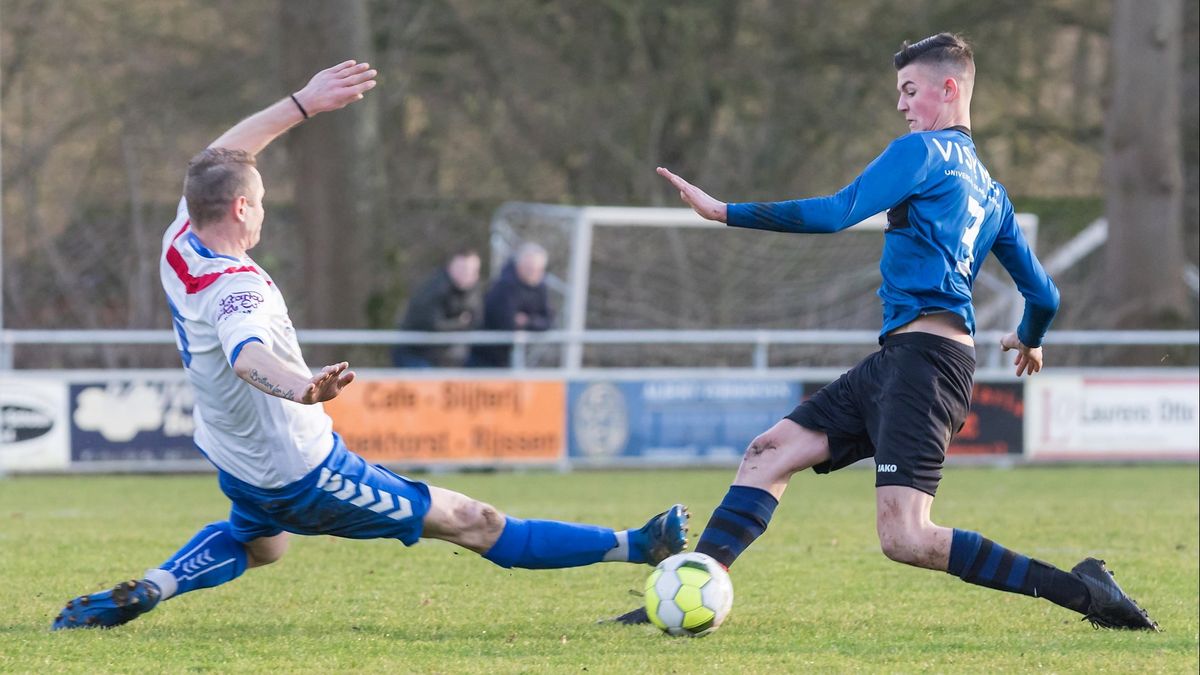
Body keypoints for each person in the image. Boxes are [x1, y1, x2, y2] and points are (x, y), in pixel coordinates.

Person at [52, 60, 688, 631]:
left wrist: (304, 103)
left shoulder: (179, 243)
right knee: (474, 521)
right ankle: (638, 544)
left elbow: (222, 154)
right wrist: (302, 387)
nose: (267, 208)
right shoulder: (234, 287)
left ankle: (155, 586)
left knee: (262, 546)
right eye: (264, 200)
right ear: (242, 209)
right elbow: (248, 355)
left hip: (234, 456)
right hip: (302, 471)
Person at [610, 33, 1157, 631]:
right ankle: (692, 587)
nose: (901, 105)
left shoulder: (922, 153)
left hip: (923, 366)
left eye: (910, 90)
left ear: (949, 90)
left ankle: (1084, 593)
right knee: (769, 453)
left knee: (906, 537)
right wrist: (1030, 335)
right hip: (908, 360)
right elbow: (1045, 294)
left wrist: (727, 212)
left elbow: (838, 211)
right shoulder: (992, 193)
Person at [391, 249, 482, 368]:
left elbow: (476, 321)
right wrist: (460, 323)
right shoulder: (436, 289)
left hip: (446, 358)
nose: (467, 274)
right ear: (450, 267)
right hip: (415, 353)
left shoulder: (473, 293)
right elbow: (433, 325)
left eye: (472, 271)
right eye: (462, 269)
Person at [468, 242, 554, 368]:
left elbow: (549, 321)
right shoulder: (504, 287)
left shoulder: (540, 287)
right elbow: (507, 325)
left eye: (538, 270)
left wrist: (527, 321)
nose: (534, 273)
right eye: (529, 268)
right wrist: (533, 323)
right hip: (486, 358)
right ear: (519, 266)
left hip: (512, 357)